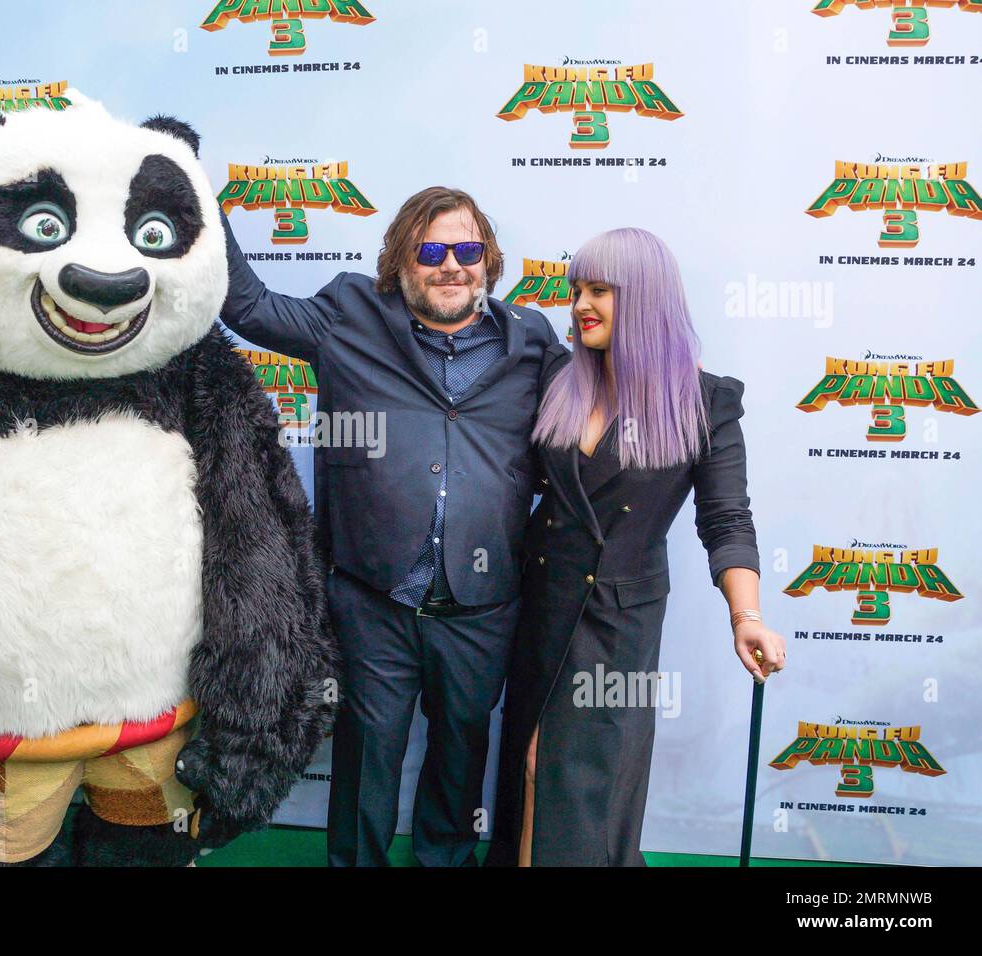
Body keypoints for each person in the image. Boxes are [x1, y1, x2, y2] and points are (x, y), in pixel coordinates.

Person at [215, 186, 559, 866]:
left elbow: (596, 412)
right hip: (374, 599)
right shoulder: (349, 315)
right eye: (432, 251)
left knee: (462, 759)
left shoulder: (533, 340)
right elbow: (247, 307)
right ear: (401, 260)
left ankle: (446, 861)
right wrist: (191, 190)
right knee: (368, 758)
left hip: (483, 606)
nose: (451, 266)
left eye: (467, 251)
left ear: (488, 260)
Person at [486, 226, 786, 867]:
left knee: (582, 778)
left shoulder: (705, 404)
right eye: (576, 291)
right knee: (529, 763)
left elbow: (727, 520)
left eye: (599, 291)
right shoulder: (560, 378)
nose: (579, 305)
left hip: (617, 621)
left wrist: (747, 616)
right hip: (541, 601)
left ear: (645, 300)